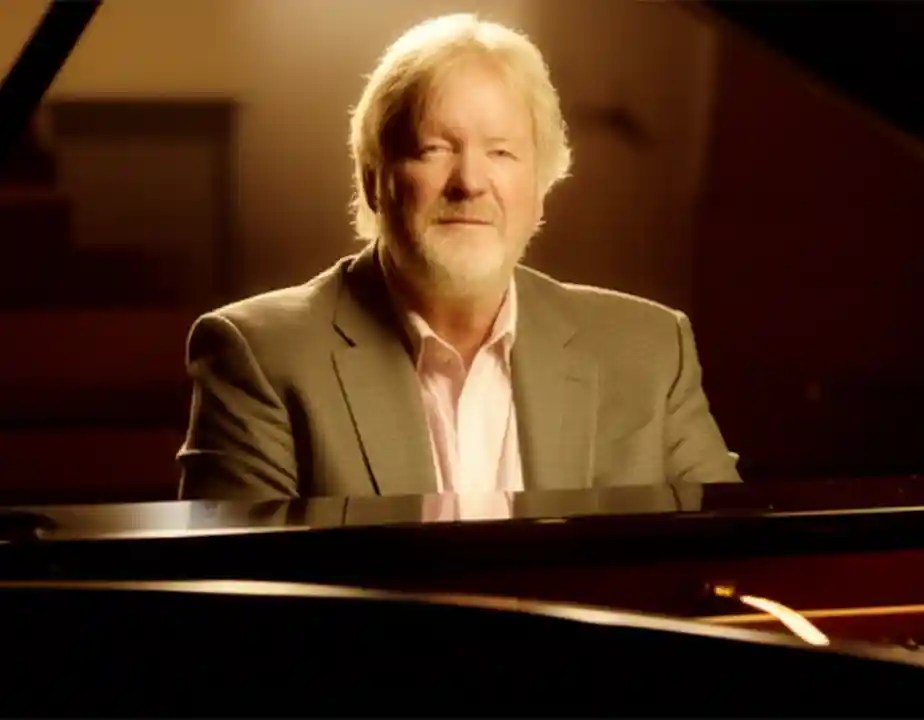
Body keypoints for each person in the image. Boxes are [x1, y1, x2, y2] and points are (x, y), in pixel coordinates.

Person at [176, 13, 741, 500]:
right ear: (374, 180)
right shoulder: (260, 356)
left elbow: (742, 562)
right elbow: (243, 609)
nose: (470, 181)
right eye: (434, 149)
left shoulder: (649, 351)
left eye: (501, 152)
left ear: (541, 188)